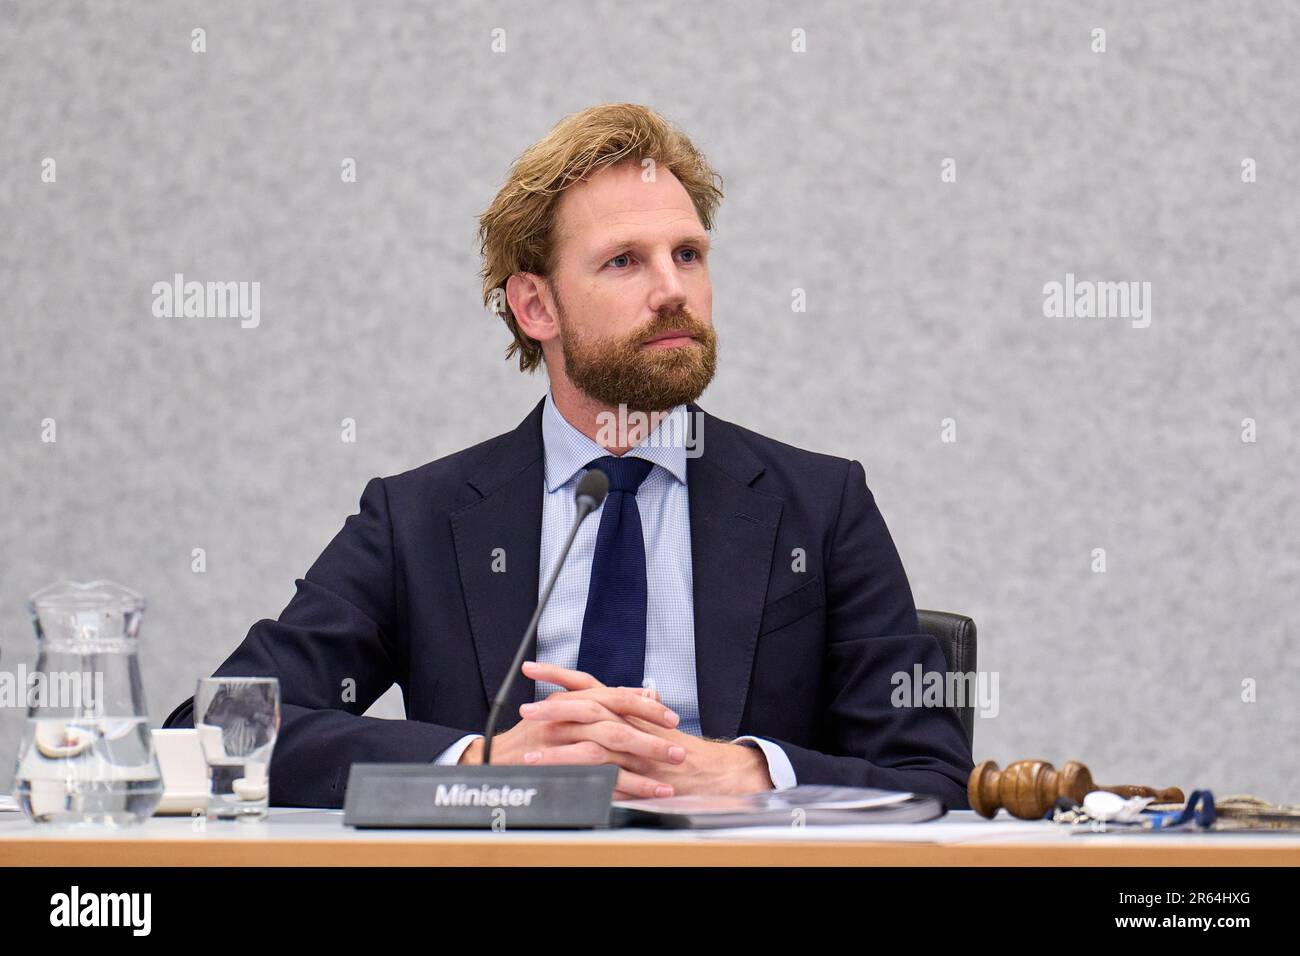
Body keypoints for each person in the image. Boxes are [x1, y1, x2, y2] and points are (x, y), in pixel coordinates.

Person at [164, 102, 974, 809]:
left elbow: (933, 775)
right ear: (536, 304)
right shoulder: (419, 520)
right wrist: (481, 763)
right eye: (626, 261)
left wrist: (749, 773)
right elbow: (208, 732)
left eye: (687, 254)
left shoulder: (820, 507)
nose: (673, 291)